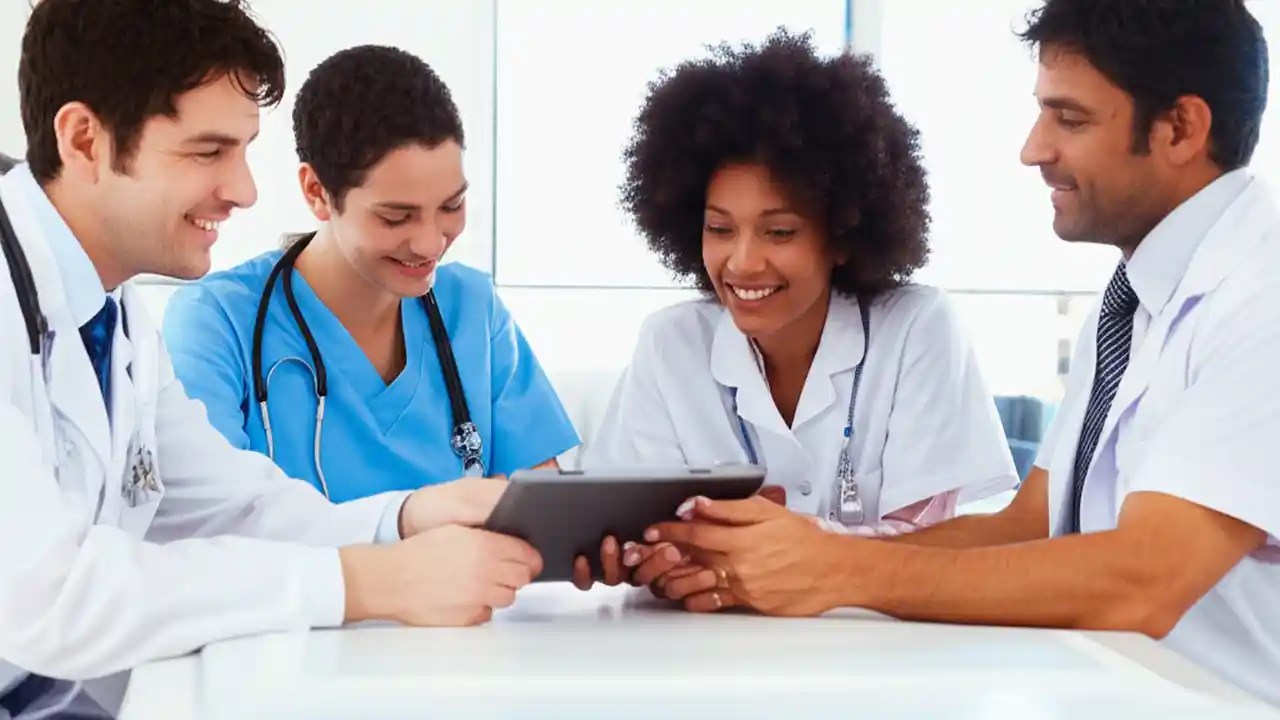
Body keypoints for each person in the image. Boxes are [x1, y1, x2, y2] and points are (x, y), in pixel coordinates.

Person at [647, 0, 1280, 705]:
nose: (1034, 149)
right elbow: (1030, 525)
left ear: (1181, 128)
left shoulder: (1262, 300)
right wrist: (782, 564)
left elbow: (1145, 581)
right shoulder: (1138, 297)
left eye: (1069, 119)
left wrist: (836, 571)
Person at [0, 3, 539, 718]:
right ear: (85, 139)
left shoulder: (114, 309)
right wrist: (368, 581)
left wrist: (409, 517)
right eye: (208, 152)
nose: (245, 190)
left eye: (244, 150)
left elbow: (229, 506)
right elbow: (55, 598)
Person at [580, 30, 1019, 593]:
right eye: (719, 229)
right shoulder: (671, 343)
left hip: (886, 651)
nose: (742, 262)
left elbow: (948, 544)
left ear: (841, 235)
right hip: (708, 656)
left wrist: (765, 557)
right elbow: (636, 531)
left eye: (779, 231)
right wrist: (648, 562)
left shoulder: (918, 329)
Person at [162, 45, 579, 505]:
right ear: (317, 192)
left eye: (451, 206)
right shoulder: (218, 322)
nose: (430, 243)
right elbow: (206, 525)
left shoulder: (472, 308)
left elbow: (544, 509)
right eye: (396, 217)